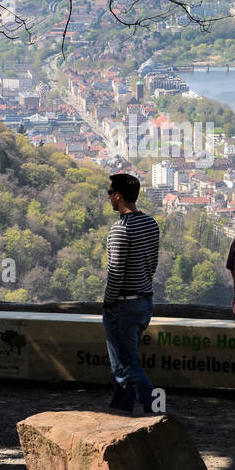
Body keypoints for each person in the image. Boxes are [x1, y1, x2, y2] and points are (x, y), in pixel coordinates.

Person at [102, 173, 161, 415]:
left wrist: (108, 302)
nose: (108, 197)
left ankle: (156, 407)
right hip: (144, 300)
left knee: (124, 365)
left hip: (123, 305)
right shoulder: (151, 224)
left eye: (110, 193)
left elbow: (115, 273)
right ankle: (122, 408)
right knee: (126, 359)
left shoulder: (120, 229)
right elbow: (152, 264)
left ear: (118, 196)